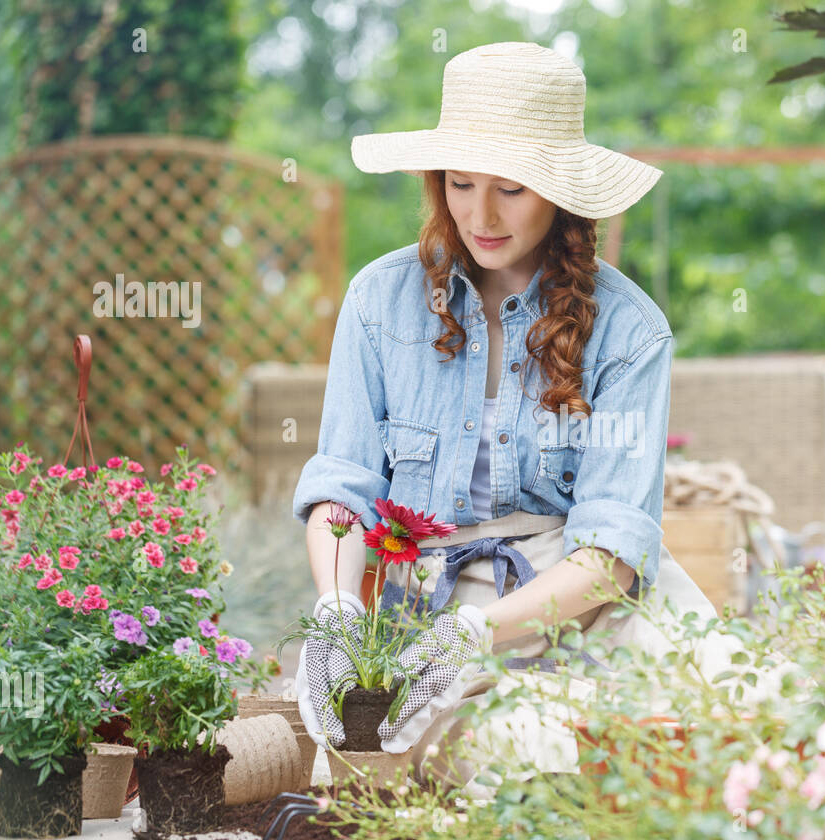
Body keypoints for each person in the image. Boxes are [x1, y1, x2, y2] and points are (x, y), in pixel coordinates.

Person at [291, 41, 749, 797]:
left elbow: (610, 556)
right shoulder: (379, 302)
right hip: (427, 608)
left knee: (721, 739)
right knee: (472, 764)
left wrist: (474, 635)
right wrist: (340, 607)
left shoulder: (631, 331)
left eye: (510, 188)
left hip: (585, 605)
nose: (480, 214)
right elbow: (344, 487)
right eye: (460, 183)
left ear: (559, 192)